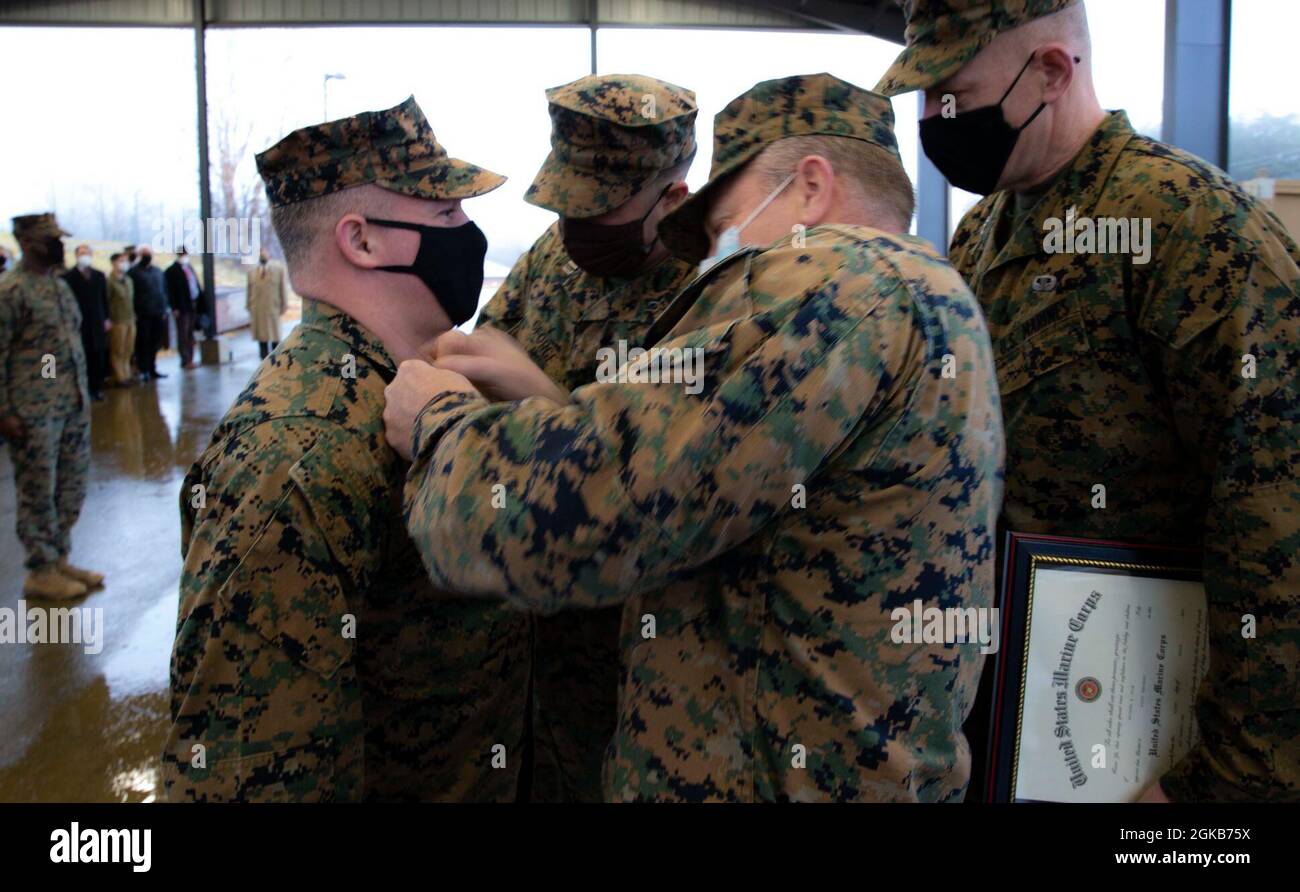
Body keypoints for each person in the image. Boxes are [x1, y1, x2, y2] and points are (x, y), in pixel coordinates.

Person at [384, 75, 1005, 801]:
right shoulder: (930, 291)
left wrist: (440, 425)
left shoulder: (831, 284)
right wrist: (558, 408)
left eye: (727, 224)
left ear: (810, 187)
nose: (720, 254)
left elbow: (571, 519)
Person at [876, 0, 1300, 802]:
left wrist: (1215, 790)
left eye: (954, 94)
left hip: (1144, 736)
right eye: (926, 96)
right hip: (1011, 717)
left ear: (1054, 71)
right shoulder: (986, 230)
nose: (935, 117)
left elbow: (1278, 524)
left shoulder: (1193, 231)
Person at [161, 97, 531, 801]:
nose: (470, 232)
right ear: (361, 241)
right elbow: (255, 773)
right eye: (446, 213)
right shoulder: (294, 457)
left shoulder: (429, 384)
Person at [474, 73, 697, 802]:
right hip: (540, 643)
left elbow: (676, 489)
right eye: (565, 199)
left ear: (673, 198)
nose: (573, 223)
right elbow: (489, 352)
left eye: (597, 207)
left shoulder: (721, 290)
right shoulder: (553, 259)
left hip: (649, 665)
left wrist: (543, 404)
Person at [0, 214, 105, 599]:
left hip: (71, 404)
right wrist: (5, 411)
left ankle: (59, 556)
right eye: (50, 239)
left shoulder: (58, 287)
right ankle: (40, 569)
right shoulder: (10, 291)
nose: (59, 245)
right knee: (37, 491)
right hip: (33, 410)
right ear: (27, 243)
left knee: (71, 486)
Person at [62, 243, 111, 401]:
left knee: (98, 356)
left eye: (87, 253)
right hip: (79, 323)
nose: (85, 255)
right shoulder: (68, 277)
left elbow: (104, 299)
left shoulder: (99, 275)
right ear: (76, 255)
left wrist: (107, 318)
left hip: (97, 321)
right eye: (82, 252)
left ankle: (96, 388)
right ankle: (85, 390)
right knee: (84, 356)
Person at [128, 245, 169, 380]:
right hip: (142, 314)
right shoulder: (133, 272)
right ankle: (143, 369)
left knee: (155, 342)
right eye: (144, 253)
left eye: (149, 253)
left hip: (158, 313)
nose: (147, 256)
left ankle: (152, 369)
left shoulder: (157, 271)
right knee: (143, 343)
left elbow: (163, 291)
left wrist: (164, 309)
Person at [164, 246, 205, 369]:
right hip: (181, 308)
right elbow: (169, 291)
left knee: (190, 333)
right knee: (183, 334)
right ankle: (185, 359)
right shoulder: (171, 271)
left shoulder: (189, 268)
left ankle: (191, 358)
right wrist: (174, 307)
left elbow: (195, 285)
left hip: (192, 305)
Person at [246, 248, 287, 358]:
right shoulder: (251, 271)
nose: (261, 254)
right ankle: (263, 360)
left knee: (275, 336)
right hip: (258, 309)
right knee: (261, 338)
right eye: (259, 252)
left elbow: (283, 288)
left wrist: (284, 305)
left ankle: (275, 360)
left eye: (263, 251)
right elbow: (249, 290)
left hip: (273, 308)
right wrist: (248, 306)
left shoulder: (278, 269)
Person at [106, 251, 136, 386]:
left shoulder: (128, 280)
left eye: (125, 261)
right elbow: (107, 301)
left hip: (130, 319)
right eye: (121, 261)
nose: (124, 264)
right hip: (117, 320)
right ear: (114, 263)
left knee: (128, 349)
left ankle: (127, 373)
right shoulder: (109, 282)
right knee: (118, 349)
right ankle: (119, 376)